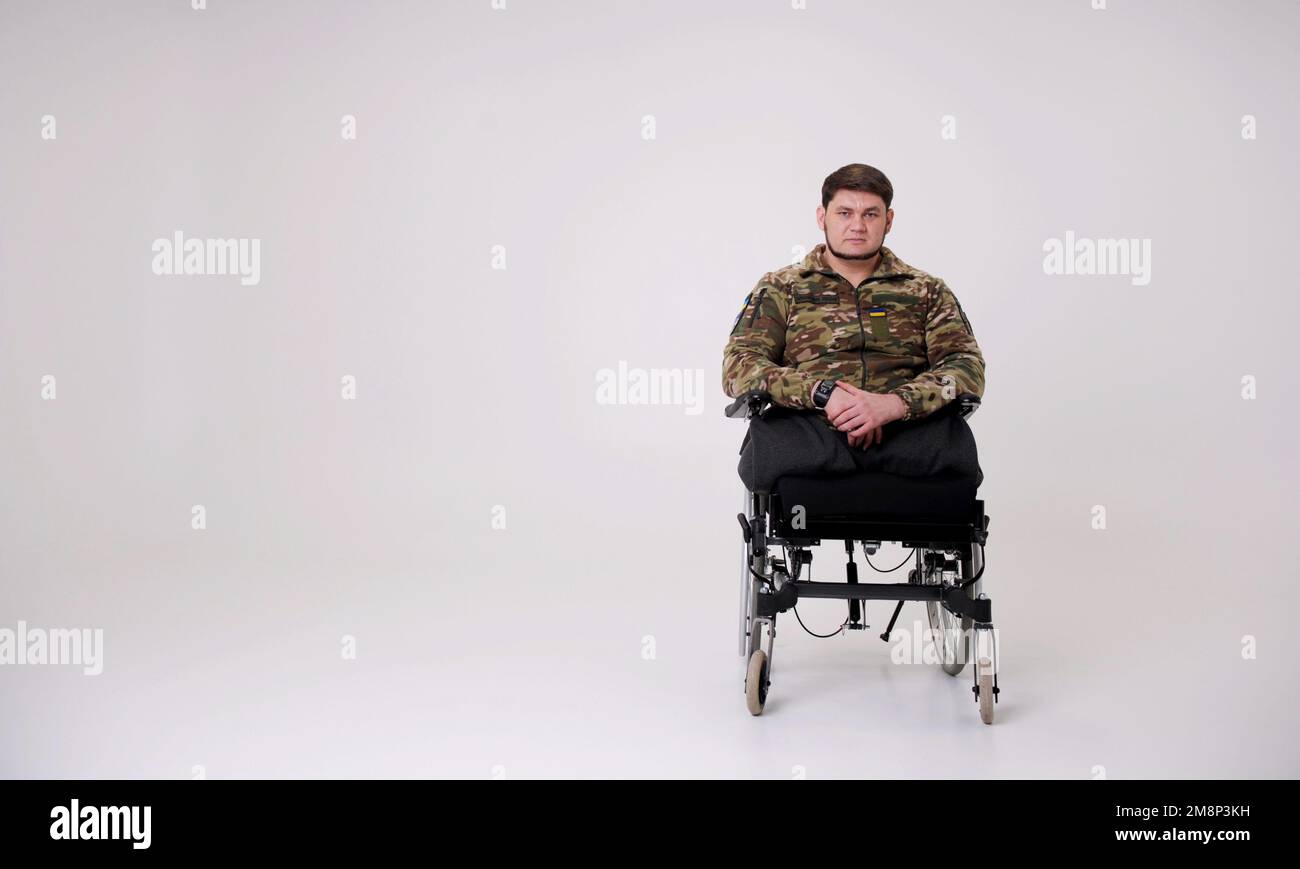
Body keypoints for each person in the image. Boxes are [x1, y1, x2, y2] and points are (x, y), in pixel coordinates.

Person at [722, 163, 985, 450]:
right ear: (822, 217)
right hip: (808, 429)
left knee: (949, 454)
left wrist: (895, 404)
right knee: (779, 452)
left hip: (907, 430)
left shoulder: (926, 289)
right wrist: (823, 393)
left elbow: (965, 366)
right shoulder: (782, 286)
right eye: (845, 213)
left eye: (870, 214)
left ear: (889, 220)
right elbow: (739, 365)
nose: (858, 226)